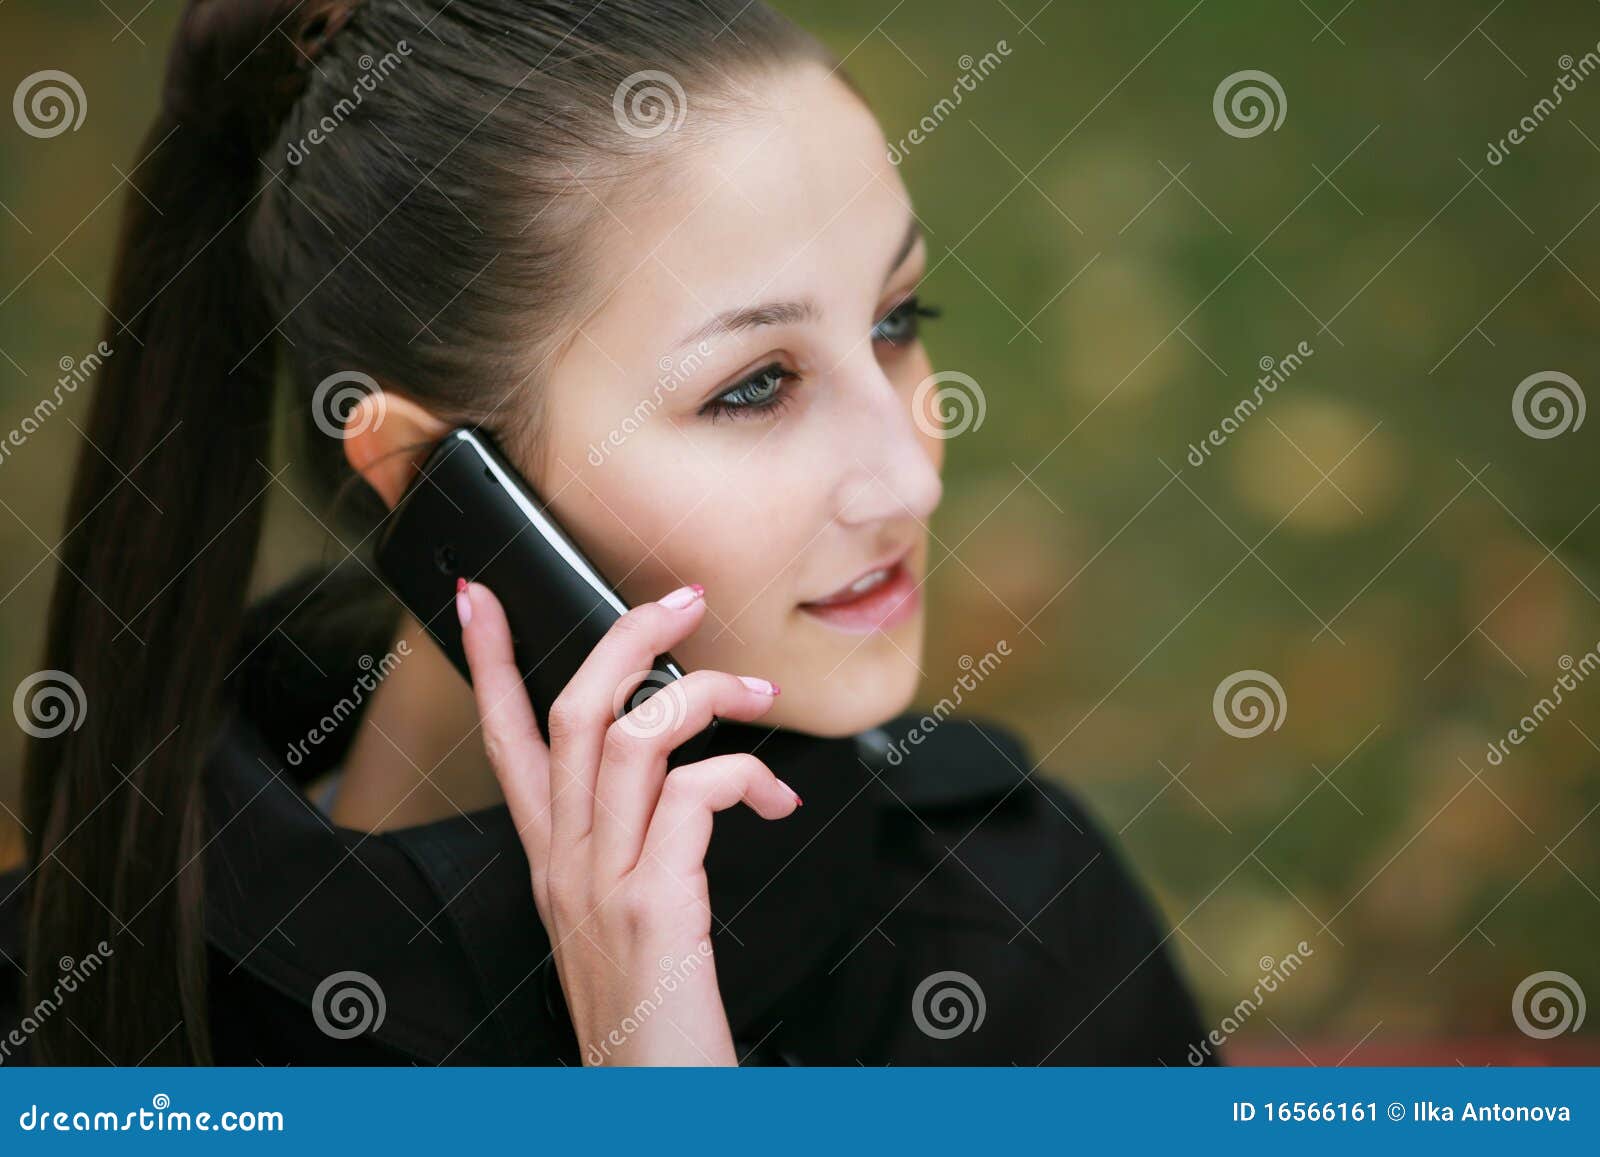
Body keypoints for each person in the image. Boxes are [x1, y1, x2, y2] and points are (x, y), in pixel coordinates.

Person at [0, 0, 1213, 1066]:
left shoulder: (1013, 928)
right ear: (431, 479)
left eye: (898, 319)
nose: (908, 474)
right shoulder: (72, 1001)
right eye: (753, 386)